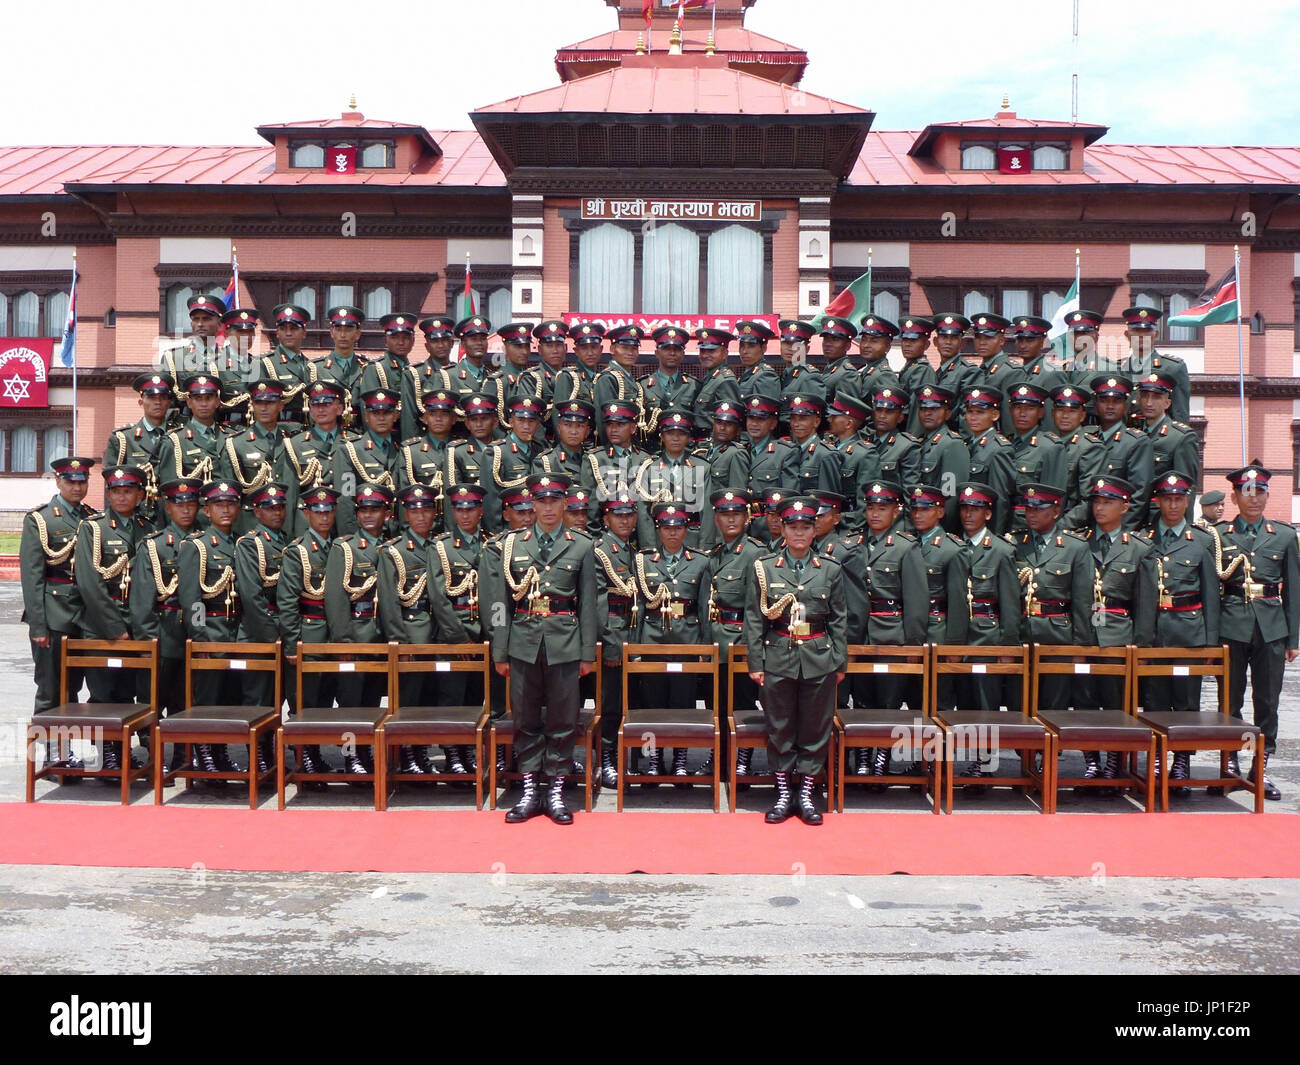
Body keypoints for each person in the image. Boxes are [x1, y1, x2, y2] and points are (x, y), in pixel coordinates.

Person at [481, 474, 599, 824]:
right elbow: (500, 604)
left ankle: (557, 791)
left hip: (564, 643)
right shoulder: (511, 545)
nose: (548, 508)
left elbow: (589, 605)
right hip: (522, 642)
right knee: (526, 718)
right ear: (531, 505)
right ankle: (531, 790)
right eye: (541, 501)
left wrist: (587, 653)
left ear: (565, 504)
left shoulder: (581, 545)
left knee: (563, 719)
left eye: (554, 501)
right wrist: (500, 651)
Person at [745, 495, 847, 825]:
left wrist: (839, 662)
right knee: (779, 726)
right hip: (778, 655)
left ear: (815, 530)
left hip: (818, 657)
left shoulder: (829, 569)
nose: (799, 533)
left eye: (806, 527)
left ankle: (805, 794)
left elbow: (839, 619)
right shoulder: (764, 568)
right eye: (793, 527)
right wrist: (756, 662)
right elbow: (754, 618)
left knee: (815, 728)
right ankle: (783, 794)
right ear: (783, 530)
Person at [1213, 462, 1299, 800]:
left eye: (1259, 492)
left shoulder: (1285, 535)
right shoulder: (1219, 536)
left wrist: (1292, 638)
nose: (1253, 499)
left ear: (1266, 496)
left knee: (1266, 701)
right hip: (1231, 626)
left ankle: (1259, 767)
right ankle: (1231, 764)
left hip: (1270, 628)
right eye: (1245, 492)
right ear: (1234, 497)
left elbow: (1293, 591)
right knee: (1229, 701)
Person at [1142, 471, 1221, 795]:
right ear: (1158, 501)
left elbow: (1211, 596)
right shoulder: (1144, 540)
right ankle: (1158, 757)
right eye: (1167, 499)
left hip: (1189, 633)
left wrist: (1210, 642)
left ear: (1187, 501)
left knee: (1187, 702)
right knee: (1154, 699)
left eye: (1178, 499)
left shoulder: (1201, 541)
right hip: (1155, 633)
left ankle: (1182, 761)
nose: (1173, 505)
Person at [1077, 476, 1156, 790]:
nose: (1100, 507)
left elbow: (1146, 604)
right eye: (1097, 501)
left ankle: (1114, 759)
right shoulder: (1079, 543)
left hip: (1117, 632)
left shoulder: (1139, 549)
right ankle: (1090, 760)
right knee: (1082, 701)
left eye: (1108, 502)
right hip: (1083, 633)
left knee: (1114, 702)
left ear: (1125, 506)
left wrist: (1142, 647)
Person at [22, 456, 97, 777]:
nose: (77, 487)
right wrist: (38, 625)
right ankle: (52, 756)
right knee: (51, 689)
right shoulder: (41, 520)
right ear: (58, 481)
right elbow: (32, 577)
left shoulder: (92, 518)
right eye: (71, 481)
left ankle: (66, 751)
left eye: (82, 482)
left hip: (85, 617)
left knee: (74, 689)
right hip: (52, 617)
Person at [854, 480, 928, 780]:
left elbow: (916, 599)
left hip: (892, 636)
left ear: (896, 511)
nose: (875, 514)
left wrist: (913, 644)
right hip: (860, 635)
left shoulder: (905, 547)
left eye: (882, 508)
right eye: (871, 508)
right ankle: (862, 756)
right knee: (861, 701)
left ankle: (882, 759)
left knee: (889, 703)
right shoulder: (853, 543)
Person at [633, 501, 713, 779]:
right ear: (658, 530)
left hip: (687, 640)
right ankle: (651, 761)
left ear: (687, 529)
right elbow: (639, 607)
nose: (672, 534)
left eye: (678, 528)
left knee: (684, 705)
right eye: (666, 528)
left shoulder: (701, 562)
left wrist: (705, 646)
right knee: (649, 707)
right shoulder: (642, 561)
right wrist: (634, 648)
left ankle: (680, 761)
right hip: (652, 640)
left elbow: (704, 608)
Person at [76, 466, 152, 754]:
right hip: (102, 628)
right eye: (116, 491)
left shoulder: (147, 528)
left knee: (127, 691)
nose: (122, 497)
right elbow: (89, 584)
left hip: (137, 626)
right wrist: (116, 628)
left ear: (140, 494)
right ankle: (106, 753)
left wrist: (138, 627)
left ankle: (123, 753)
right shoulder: (93, 528)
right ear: (108, 494)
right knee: (103, 692)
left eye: (128, 491)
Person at [131, 477, 202, 780]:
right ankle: (154, 755)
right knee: (154, 699)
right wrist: (150, 639)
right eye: (178, 504)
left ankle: (185, 756)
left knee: (188, 699)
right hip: (163, 631)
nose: (185, 510)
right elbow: (142, 601)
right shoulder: (155, 544)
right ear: (168, 507)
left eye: (190, 504)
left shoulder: (205, 539)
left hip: (194, 633)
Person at [177, 480, 246, 774]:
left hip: (234, 632)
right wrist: (199, 637)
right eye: (219, 505)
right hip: (211, 631)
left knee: (229, 698)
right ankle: (204, 754)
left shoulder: (241, 543)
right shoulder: (197, 545)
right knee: (207, 699)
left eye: (231, 504)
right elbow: (191, 597)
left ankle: (220, 753)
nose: (226, 510)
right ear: (207, 510)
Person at [277, 485, 340, 777]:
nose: (324, 517)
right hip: (308, 634)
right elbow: (288, 601)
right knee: (305, 701)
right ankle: (305, 760)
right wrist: (292, 644)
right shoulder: (297, 551)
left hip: (332, 636)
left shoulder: (340, 547)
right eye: (317, 511)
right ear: (306, 514)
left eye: (328, 511)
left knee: (325, 699)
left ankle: (316, 756)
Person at [429, 483, 492, 776]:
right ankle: (452, 751)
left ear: (480, 511)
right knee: (451, 697)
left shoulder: (491, 544)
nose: (465, 516)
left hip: (483, 635)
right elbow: (439, 598)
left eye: (471, 509)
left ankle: (468, 750)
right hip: (453, 637)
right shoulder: (440, 547)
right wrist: (458, 638)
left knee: (475, 697)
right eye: (459, 509)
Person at [233, 480, 291, 771]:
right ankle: (257, 756)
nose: (277, 513)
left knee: (281, 695)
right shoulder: (250, 544)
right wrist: (272, 636)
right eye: (269, 508)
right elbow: (251, 596)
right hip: (259, 632)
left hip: (284, 627)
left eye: (280, 507)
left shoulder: (286, 542)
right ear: (256, 512)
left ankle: (277, 754)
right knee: (258, 700)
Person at [954, 484, 1021, 731]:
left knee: (986, 703)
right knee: (964, 704)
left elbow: (1011, 604)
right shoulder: (953, 546)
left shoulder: (1002, 551)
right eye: (964, 509)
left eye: (975, 509)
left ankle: (985, 762)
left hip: (988, 637)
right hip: (959, 637)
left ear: (988, 514)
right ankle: (970, 759)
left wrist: (1007, 645)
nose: (968, 515)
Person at [591, 491, 641, 787]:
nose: (624, 520)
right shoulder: (600, 551)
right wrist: (609, 642)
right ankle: (607, 759)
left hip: (633, 633)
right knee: (609, 704)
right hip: (612, 634)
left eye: (629, 515)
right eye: (617, 515)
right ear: (606, 519)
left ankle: (633, 757)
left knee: (632, 701)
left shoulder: (635, 552)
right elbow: (599, 603)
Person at [908, 485, 969, 712]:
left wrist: (954, 647)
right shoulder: (908, 544)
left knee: (939, 701)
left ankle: (941, 748)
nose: (918, 515)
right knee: (915, 700)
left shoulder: (952, 550)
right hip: (911, 632)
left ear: (941, 512)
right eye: (914, 510)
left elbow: (958, 603)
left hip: (937, 630)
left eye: (925, 510)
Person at [633, 408, 712, 549]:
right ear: (661, 436)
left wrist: (705, 548)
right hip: (659, 541)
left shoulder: (702, 467)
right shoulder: (648, 469)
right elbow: (644, 515)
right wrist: (649, 548)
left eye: (681, 434)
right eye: (670, 433)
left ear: (689, 437)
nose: (676, 438)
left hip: (692, 541)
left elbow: (707, 513)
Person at [220, 377, 289, 535]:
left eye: (270, 403)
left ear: (280, 405)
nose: (264, 408)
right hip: (250, 525)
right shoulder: (236, 444)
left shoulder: (291, 440)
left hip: (287, 522)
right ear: (252, 404)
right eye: (259, 403)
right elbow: (231, 496)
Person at [104, 372, 174, 528]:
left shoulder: (179, 436)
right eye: (152, 398)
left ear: (169, 402)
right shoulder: (123, 439)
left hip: (172, 516)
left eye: (162, 398)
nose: (158, 403)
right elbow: (111, 485)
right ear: (141, 401)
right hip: (137, 517)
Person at [333, 387, 403, 537]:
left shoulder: (403, 448)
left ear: (396, 415)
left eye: (387, 413)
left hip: (397, 535)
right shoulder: (349, 451)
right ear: (366, 416)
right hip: (364, 534)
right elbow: (346, 500)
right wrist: (353, 542)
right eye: (375, 413)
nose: (381, 418)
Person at [282, 380, 345, 536]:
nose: (321, 409)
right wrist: (288, 534)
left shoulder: (352, 442)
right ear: (309, 409)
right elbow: (290, 494)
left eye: (327, 404)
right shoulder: (295, 445)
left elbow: (349, 488)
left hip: (342, 518)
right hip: (308, 523)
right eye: (315, 405)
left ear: (340, 409)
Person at [1090, 375, 1153, 530]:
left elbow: (1139, 496)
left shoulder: (1137, 442)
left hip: (1119, 531)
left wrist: (1119, 533)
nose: (1110, 406)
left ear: (1125, 406)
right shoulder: (1087, 439)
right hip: (1086, 530)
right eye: (1104, 400)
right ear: (1096, 405)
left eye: (1117, 401)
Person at [1137, 370, 1199, 523]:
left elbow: (1186, 490)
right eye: (1145, 396)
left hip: (1161, 520)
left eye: (1156, 397)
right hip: (1133, 519)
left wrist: (1184, 531)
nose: (1149, 402)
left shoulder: (1181, 437)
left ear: (1167, 403)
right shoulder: (1133, 434)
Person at [484, 396, 546, 533]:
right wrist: (497, 535)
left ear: (538, 424)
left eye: (531, 421)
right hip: (509, 529)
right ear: (511, 421)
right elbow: (491, 501)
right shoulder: (496, 452)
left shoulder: (541, 450)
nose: (526, 426)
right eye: (521, 420)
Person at [913, 385, 970, 532]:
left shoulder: (951, 444)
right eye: (924, 409)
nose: (928, 413)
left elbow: (950, 496)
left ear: (947, 414)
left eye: (934, 409)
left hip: (939, 529)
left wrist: (942, 532)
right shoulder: (921, 442)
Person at [1049, 384, 1105, 530]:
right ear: (1052, 413)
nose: (1065, 416)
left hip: (1071, 529)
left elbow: (1089, 500)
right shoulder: (1048, 445)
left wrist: (1058, 527)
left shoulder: (1090, 448)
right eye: (1060, 410)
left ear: (1082, 415)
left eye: (1072, 411)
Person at [1123, 306, 1191, 425]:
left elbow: (1180, 414)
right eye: (1136, 331)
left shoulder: (1173, 368)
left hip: (1157, 438)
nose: (1141, 336)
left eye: (1147, 331)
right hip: (1124, 440)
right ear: (1127, 334)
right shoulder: (1118, 368)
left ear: (1156, 334)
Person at [962, 385, 1016, 535]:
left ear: (995, 415)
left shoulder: (999, 449)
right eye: (970, 412)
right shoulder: (964, 444)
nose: (973, 417)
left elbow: (1000, 500)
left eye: (980, 412)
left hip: (985, 529)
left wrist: (992, 538)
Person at [158, 373, 228, 484]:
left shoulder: (231, 437)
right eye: (198, 398)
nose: (204, 404)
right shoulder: (174, 441)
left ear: (217, 402)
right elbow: (169, 489)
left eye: (208, 398)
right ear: (189, 402)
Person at [256, 303, 316, 430]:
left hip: (308, 434)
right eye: (283, 328)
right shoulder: (264, 363)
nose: (288, 333)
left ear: (304, 333)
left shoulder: (311, 366)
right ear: (277, 333)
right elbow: (258, 406)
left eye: (294, 328)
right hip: (279, 431)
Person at [314, 305, 369, 423]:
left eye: (348, 329)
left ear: (358, 334)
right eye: (338, 329)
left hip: (359, 434)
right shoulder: (316, 368)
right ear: (332, 332)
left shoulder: (367, 367)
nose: (343, 335)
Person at [640, 326, 699, 437]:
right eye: (667, 348)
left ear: (683, 354)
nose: (672, 353)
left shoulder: (693, 386)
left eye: (677, 349)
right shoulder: (642, 386)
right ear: (657, 353)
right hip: (651, 450)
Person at [593, 325, 647, 444]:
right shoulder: (608, 378)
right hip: (615, 451)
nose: (630, 353)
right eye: (624, 348)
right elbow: (604, 421)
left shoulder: (631, 380)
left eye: (634, 348)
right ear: (612, 349)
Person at [786, 395, 841, 496]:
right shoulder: (787, 451)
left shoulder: (825, 455)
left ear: (816, 422)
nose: (796, 424)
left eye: (802, 419)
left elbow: (828, 500)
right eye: (793, 419)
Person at [691, 329, 742, 438]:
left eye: (712, 351)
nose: (705, 355)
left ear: (725, 353)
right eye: (702, 351)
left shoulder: (725, 380)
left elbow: (730, 421)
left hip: (712, 443)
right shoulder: (710, 378)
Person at [931, 313, 977, 431]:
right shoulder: (936, 373)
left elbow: (969, 413)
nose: (948, 342)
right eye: (944, 337)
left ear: (962, 343)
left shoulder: (969, 371)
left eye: (954, 338)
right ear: (936, 341)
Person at [897, 317, 936, 436]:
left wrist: (912, 440)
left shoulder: (921, 369)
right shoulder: (910, 367)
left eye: (914, 341)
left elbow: (918, 409)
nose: (908, 344)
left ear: (926, 345)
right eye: (905, 340)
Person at [776, 320, 825, 409]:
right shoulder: (783, 375)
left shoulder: (810, 377)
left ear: (807, 349)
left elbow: (812, 416)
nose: (790, 348)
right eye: (786, 343)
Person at [734, 320, 781, 405]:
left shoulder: (765, 376)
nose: (744, 351)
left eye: (751, 346)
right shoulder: (748, 374)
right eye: (742, 346)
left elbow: (764, 414)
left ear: (763, 348)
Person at [856, 315, 902, 397]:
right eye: (864, 339)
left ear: (887, 347)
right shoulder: (869, 371)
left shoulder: (884, 376)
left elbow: (887, 409)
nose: (866, 345)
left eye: (874, 341)